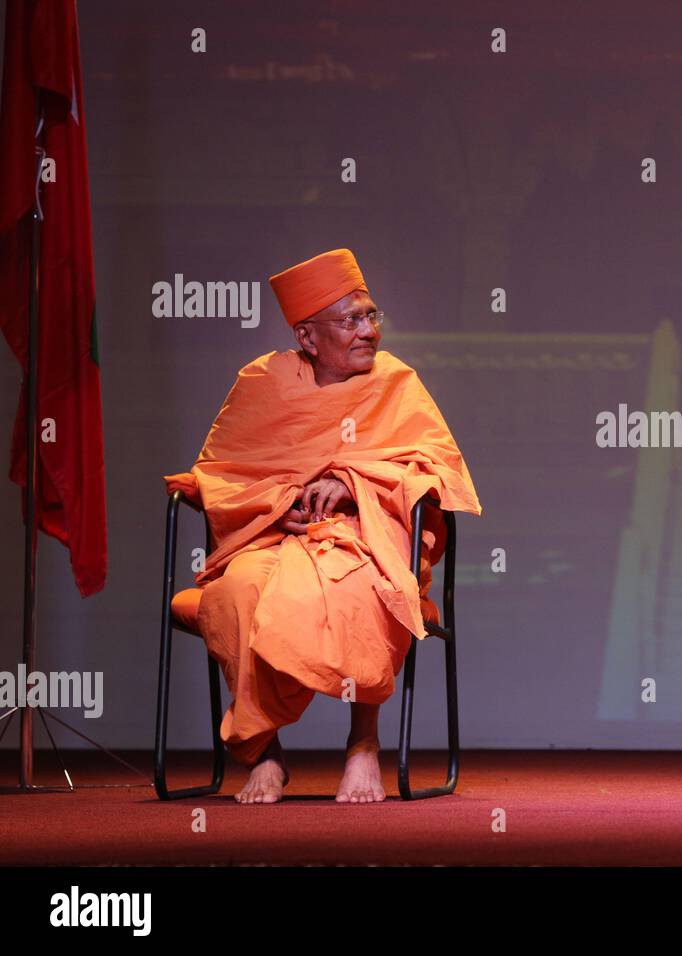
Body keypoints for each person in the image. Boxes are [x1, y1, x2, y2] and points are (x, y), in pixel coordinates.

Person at [164, 249, 480, 805]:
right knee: (238, 590)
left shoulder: (396, 383)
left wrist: (355, 480)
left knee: (363, 589)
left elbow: (436, 468)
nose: (368, 331)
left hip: (366, 543)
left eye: (371, 316)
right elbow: (220, 473)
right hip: (273, 539)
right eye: (351, 321)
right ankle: (265, 752)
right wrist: (273, 504)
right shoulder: (264, 382)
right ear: (308, 338)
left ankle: (363, 743)